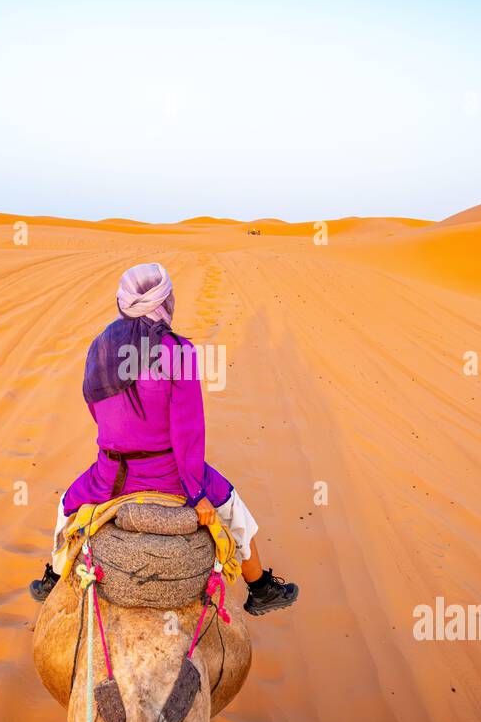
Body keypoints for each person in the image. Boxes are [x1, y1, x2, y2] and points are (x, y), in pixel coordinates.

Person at [28, 262, 298, 616]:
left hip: (109, 477)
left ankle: (53, 576)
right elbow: (188, 433)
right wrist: (197, 494)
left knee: (66, 506)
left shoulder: (100, 349)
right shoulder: (178, 351)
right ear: (166, 301)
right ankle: (260, 587)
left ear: (122, 302)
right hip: (171, 475)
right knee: (235, 512)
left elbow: (94, 409)